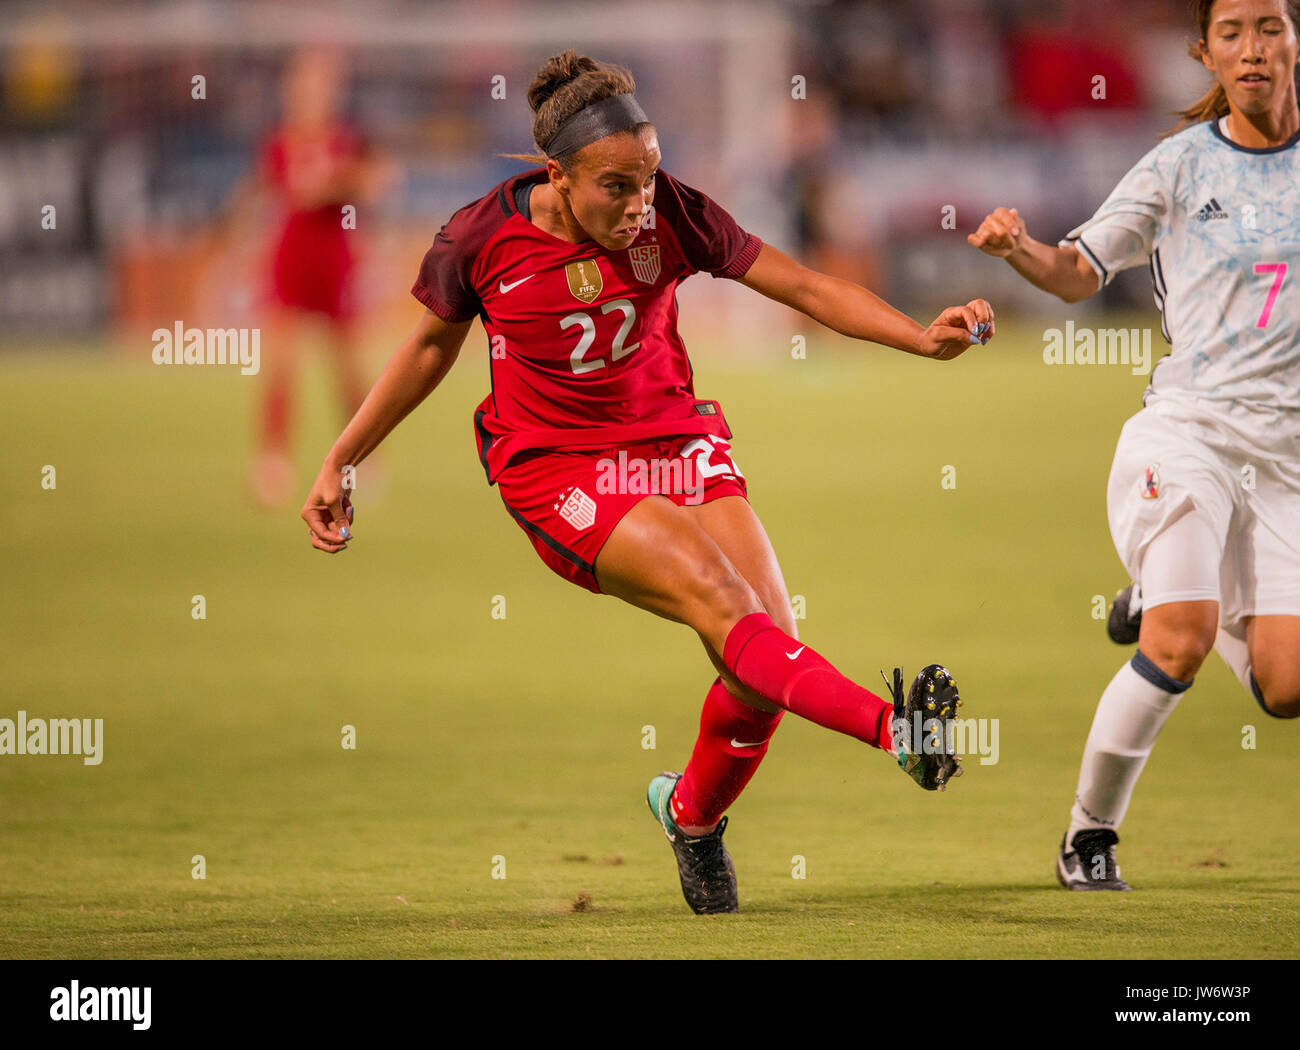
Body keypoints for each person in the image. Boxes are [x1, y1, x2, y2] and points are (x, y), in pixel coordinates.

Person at [304, 51, 994, 914]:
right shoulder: (480, 237)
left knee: (764, 655)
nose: (640, 206)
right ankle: (899, 733)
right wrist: (341, 457)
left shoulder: (675, 214)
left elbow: (806, 285)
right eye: (616, 187)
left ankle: (690, 817)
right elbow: (431, 348)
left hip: (672, 437)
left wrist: (920, 339)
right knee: (722, 601)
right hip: (557, 467)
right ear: (556, 175)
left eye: (650, 178)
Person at [970, 0, 1300, 891]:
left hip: (1288, 461)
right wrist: (1018, 250)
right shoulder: (1181, 166)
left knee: (1286, 689)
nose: (1252, 48)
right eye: (1232, 32)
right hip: (1189, 428)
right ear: (1205, 52)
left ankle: (1156, 589)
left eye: (1269, 26)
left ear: (1295, 38)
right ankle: (1089, 837)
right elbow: (1079, 274)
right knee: (1182, 641)